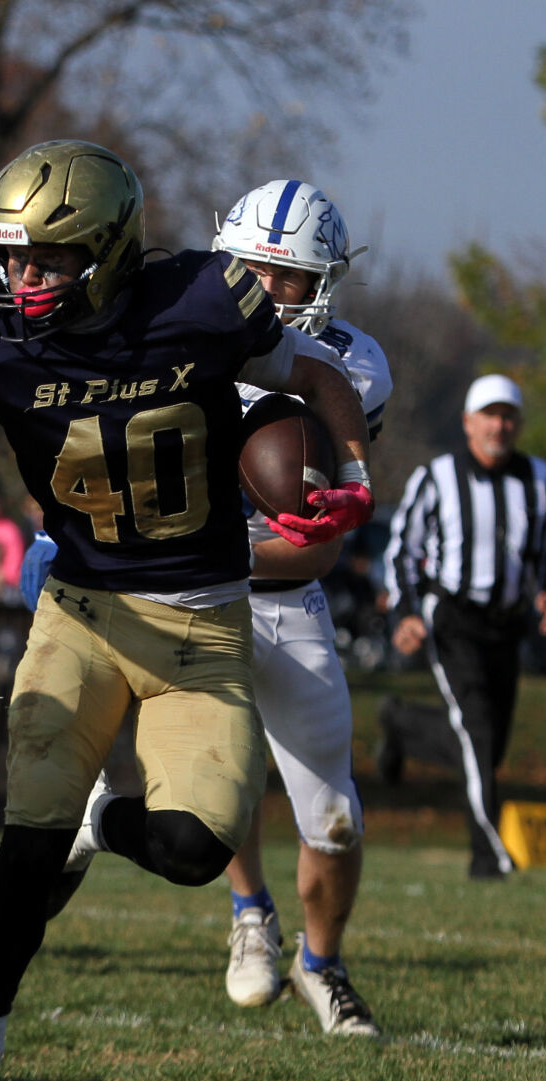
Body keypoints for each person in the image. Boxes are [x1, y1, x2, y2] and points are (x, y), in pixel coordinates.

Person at [0, 139, 374, 1081]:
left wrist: (351, 477)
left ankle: (110, 819)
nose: (23, 277)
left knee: (193, 849)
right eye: (11, 257)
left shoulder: (205, 299)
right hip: (80, 617)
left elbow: (312, 376)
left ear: (112, 248)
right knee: (26, 843)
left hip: (202, 625)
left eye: (47, 257)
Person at [202, 180, 389, 1035]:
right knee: (218, 766)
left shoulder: (350, 367)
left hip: (288, 598)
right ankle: (248, 913)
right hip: (194, 596)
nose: (268, 293)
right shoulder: (179, 337)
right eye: (252, 272)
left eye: (288, 278)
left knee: (336, 817)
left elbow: (320, 541)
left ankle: (322, 963)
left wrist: (217, 546)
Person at [379, 374, 546, 880]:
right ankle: (490, 856)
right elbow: (402, 549)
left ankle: (399, 724)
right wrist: (406, 612)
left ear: (518, 424)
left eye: (508, 416)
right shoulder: (438, 476)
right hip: (454, 619)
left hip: (508, 624)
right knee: (478, 732)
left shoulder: (539, 478)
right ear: (467, 422)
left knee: (488, 741)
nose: (499, 425)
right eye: (489, 414)